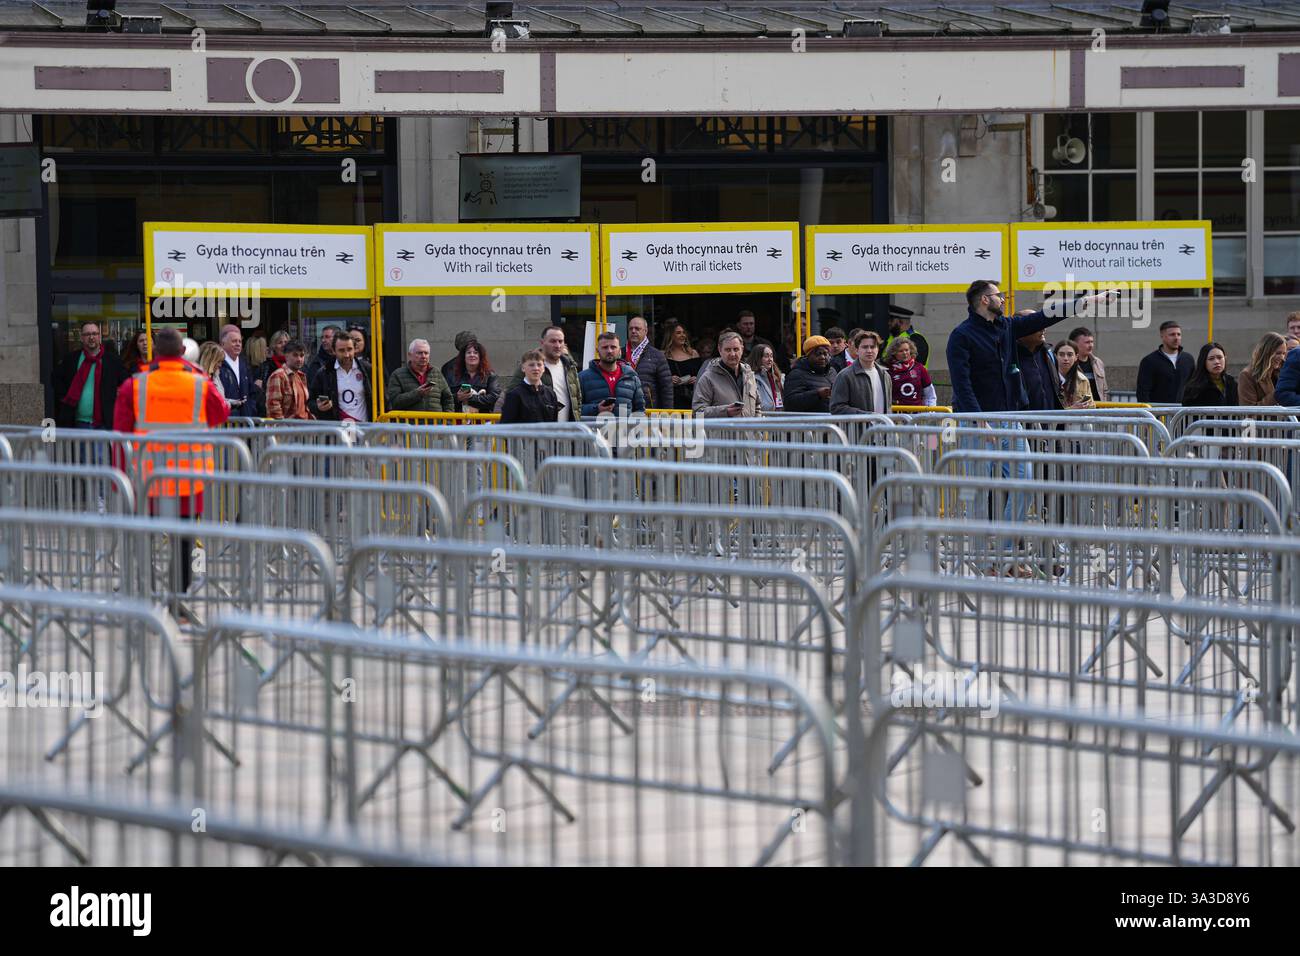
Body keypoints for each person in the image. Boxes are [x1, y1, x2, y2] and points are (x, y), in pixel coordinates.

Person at [112, 328, 229, 612]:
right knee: (183, 540)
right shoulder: (200, 383)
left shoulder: (134, 384)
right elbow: (220, 413)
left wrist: (118, 476)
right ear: (182, 351)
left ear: (155, 352)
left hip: (148, 476)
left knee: (144, 537)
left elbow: (120, 433)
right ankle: (178, 599)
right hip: (189, 477)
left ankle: (147, 595)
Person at [948, 282, 1114, 415]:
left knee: (1025, 458)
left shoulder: (1007, 326)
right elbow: (962, 384)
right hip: (980, 420)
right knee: (982, 459)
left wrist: (1091, 300)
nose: (1003, 299)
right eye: (999, 295)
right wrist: (976, 418)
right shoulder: (961, 335)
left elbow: (1045, 316)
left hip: (1011, 419)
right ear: (985, 299)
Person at [494, 326, 582, 422]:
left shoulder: (570, 366)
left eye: (560, 341)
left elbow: (577, 398)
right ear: (542, 343)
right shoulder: (529, 365)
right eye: (553, 341)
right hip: (540, 431)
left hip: (569, 430)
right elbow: (510, 396)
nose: (557, 345)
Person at [53, 321, 127, 431]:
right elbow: (55, 378)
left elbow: (126, 382)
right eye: (87, 334)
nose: (91, 337)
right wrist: (64, 397)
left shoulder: (112, 360)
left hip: (104, 423)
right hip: (78, 422)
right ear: (82, 338)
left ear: (99, 336)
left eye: (94, 334)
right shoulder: (71, 359)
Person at [311, 330, 374, 422]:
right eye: (341, 350)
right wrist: (318, 407)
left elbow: (384, 399)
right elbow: (310, 402)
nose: (346, 354)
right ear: (333, 351)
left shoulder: (368, 370)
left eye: (349, 349)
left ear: (354, 349)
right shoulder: (324, 373)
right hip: (338, 431)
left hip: (365, 429)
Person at [579, 331, 646, 417]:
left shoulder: (631, 377)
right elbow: (575, 410)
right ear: (597, 350)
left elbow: (640, 411)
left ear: (619, 350)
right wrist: (596, 409)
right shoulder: (583, 378)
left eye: (613, 347)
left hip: (624, 430)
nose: (609, 351)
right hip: (594, 430)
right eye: (605, 347)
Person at [694, 331, 759, 417]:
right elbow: (697, 412)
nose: (732, 354)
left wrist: (757, 428)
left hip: (749, 430)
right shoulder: (708, 377)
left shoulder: (749, 375)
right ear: (720, 350)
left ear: (742, 349)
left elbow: (757, 406)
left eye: (736, 349)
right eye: (728, 350)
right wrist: (725, 411)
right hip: (721, 430)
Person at [831, 331, 892, 415]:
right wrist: (865, 416)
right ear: (856, 350)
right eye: (865, 347)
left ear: (878, 349)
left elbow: (888, 407)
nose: (869, 350)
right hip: (857, 427)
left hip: (882, 427)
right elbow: (836, 408)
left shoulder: (885, 375)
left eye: (873, 347)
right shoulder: (844, 376)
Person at [386, 338, 453, 414]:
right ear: (410, 355)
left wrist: (447, 422)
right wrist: (417, 394)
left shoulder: (436, 373)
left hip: (435, 425)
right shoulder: (398, 374)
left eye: (426, 353)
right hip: (409, 425)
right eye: (419, 353)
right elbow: (394, 403)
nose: (423, 356)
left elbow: (448, 399)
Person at [1134, 321, 1194, 404]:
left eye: (1179, 334)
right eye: (1172, 334)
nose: (1176, 338)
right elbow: (1143, 392)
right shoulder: (1149, 361)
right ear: (1162, 336)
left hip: (1182, 413)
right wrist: (1150, 413)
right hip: (1158, 413)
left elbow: (1193, 387)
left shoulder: (1188, 359)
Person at [625, 315, 673, 409]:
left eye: (637, 328)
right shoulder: (620, 353)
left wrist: (668, 413)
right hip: (625, 409)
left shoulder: (657, 355)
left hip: (649, 410)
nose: (633, 331)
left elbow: (666, 388)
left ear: (645, 331)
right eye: (631, 329)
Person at [499, 349, 559, 424]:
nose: (536, 368)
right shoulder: (514, 395)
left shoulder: (550, 394)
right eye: (531, 365)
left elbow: (554, 423)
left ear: (543, 368)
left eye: (539, 365)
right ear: (523, 368)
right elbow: (506, 425)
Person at [784, 335, 839, 412]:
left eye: (825, 353)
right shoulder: (797, 374)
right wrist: (818, 394)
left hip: (832, 421)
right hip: (810, 422)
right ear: (808, 355)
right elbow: (790, 403)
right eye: (818, 353)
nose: (822, 357)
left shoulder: (832, 371)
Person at [216, 324, 259, 416]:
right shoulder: (217, 364)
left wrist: (251, 409)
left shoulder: (244, 364)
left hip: (246, 420)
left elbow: (252, 392)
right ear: (223, 344)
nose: (238, 344)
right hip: (226, 421)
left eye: (240, 341)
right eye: (234, 341)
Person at [265, 339, 313, 420]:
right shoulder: (278, 376)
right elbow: (273, 408)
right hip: (288, 428)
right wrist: (284, 429)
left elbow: (303, 407)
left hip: (304, 427)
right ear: (286, 355)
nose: (299, 359)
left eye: (302, 355)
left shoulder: (301, 376)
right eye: (295, 355)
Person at [885, 336, 938, 408]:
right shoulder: (888, 370)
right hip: (896, 414)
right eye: (901, 351)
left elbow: (930, 394)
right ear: (894, 353)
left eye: (907, 350)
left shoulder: (919, 368)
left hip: (917, 414)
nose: (905, 353)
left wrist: (930, 413)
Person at [449, 339, 500, 414]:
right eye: (468, 352)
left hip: (482, 422)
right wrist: (457, 397)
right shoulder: (453, 375)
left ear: (480, 357)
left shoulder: (490, 376)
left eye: (475, 353)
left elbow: (494, 398)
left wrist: (470, 398)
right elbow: (446, 398)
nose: (472, 355)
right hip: (459, 421)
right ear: (464, 357)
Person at [1182, 342, 1238, 407]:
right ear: (1203, 362)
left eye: (1219, 357)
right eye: (1211, 359)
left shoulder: (1231, 382)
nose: (1217, 362)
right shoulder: (1194, 388)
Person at [1238, 332, 1287, 407]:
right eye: (1278, 353)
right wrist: (1277, 393)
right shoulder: (1247, 375)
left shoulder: (1283, 372)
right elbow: (1249, 411)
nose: (1282, 358)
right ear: (1266, 352)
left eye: (1284, 353)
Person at [662, 321, 702, 410]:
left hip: (692, 397)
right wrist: (668, 379)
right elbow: (658, 377)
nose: (683, 335)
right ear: (671, 336)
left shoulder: (693, 353)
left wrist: (697, 379)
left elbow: (702, 375)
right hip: (672, 399)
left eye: (684, 332)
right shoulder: (663, 355)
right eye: (678, 333)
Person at [1068, 327, 1108, 403]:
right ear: (1074, 344)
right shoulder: (1067, 363)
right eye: (1087, 342)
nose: (1091, 345)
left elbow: (1104, 390)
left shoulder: (1098, 363)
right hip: (1077, 410)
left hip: (1098, 410)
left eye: (1092, 342)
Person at [1054, 339, 1095, 409]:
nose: (1066, 358)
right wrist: (1071, 409)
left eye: (1070, 355)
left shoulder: (1083, 380)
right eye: (1061, 354)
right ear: (1055, 356)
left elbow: (1091, 407)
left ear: (1076, 357)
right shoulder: (1048, 378)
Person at [748, 343, 784, 411]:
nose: (770, 359)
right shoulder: (752, 378)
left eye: (771, 356)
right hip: (763, 418)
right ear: (758, 358)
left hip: (779, 417)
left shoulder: (778, 377)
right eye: (766, 356)